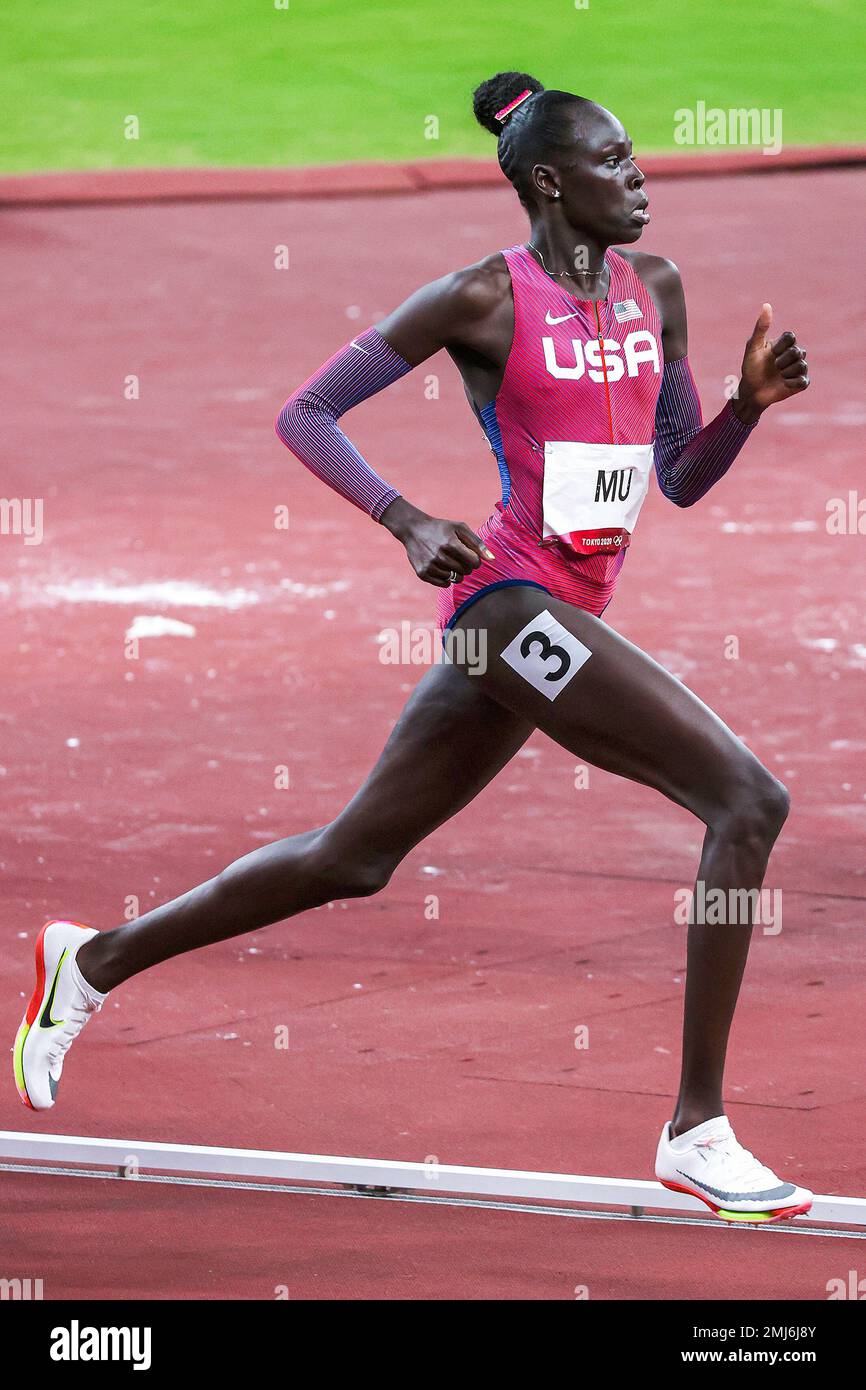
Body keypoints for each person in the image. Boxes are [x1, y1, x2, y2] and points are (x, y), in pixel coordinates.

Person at [14, 72, 812, 1223]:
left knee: (353, 856)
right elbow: (307, 413)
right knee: (745, 800)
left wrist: (742, 405)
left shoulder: (656, 290)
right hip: (506, 606)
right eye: (614, 162)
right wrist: (402, 518)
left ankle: (88, 962)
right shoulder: (481, 298)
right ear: (549, 179)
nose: (639, 179)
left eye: (637, 159)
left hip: (559, 620)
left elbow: (675, 478)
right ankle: (696, 1129)